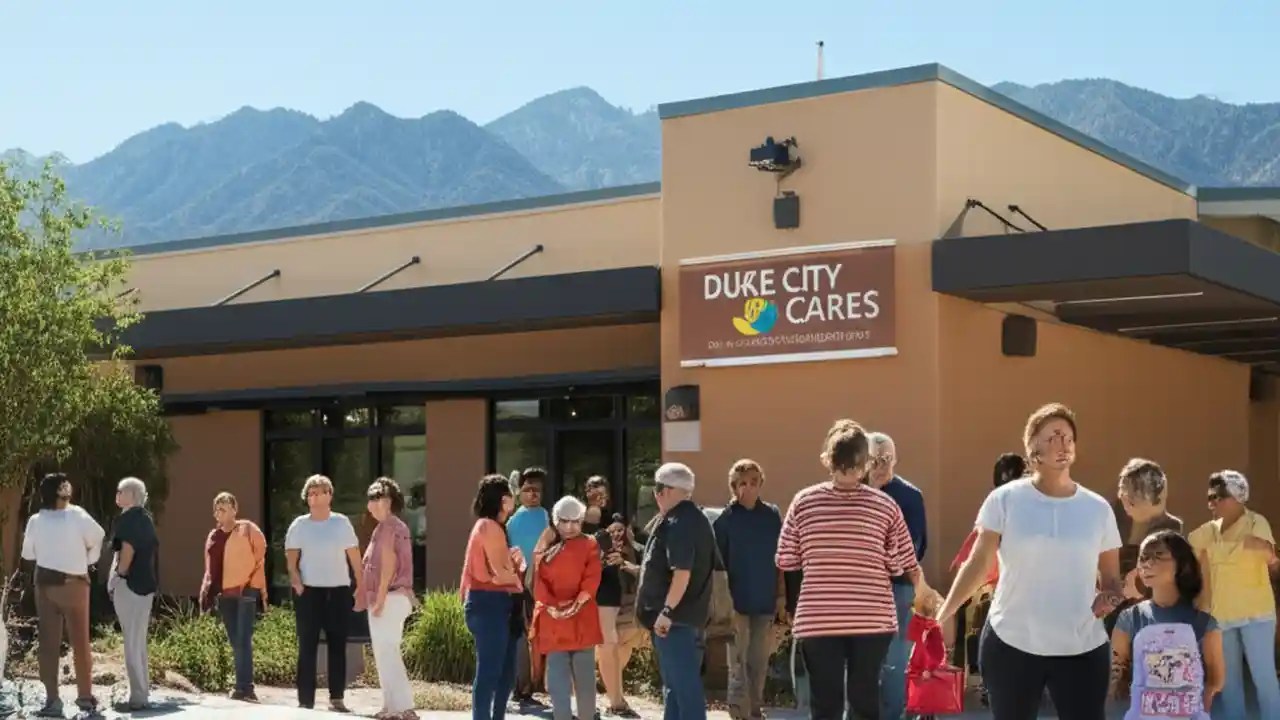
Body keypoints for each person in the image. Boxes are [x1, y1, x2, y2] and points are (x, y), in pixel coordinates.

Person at [937, 403, 1124, 720]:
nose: (1062, 444)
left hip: (1081, 647)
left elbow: (1112, 581)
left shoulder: (1098, 509)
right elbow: (979, 563)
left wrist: (1110, 597)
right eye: (1052, 437)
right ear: (1032, 448)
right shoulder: (1005, 499)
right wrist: (945, 612)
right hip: (1012, 644)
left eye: (1067, 437)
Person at [776, 421, 938, 720]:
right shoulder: (885, 506)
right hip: (872, 618)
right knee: (864, 700)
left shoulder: (804, 502)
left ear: (827, 459)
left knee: (825, 704)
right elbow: (904, 561)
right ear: (865, 465)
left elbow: (786, 559)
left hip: (819, 618)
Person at [1188, 470, 1280, 719]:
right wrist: (1237, 550)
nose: (1211, 503)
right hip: (1222, 617)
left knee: (1264, 678)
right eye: (1209, 497)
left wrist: (1215, 553)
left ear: (1238, 497)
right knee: (1228, 683)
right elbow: (1189, 546)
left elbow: (1265, 552)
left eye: (1218, 497)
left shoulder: (1256, 522)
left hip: (1257, 615)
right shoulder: (1210, 530)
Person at [1109, 530, 1224, 719]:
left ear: (1182, 565)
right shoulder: (1130, 618)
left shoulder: (1204, 623)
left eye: (1158, 556)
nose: (1147, 564)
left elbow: (1216, 679)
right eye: (1143, 558)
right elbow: (1116, 676)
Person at [637, 462, 717, 720]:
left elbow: (682, 572)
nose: (656, 494)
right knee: (675, 689)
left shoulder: (680, 522)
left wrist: (667, 611)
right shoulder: (692, 518)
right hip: (682, 619)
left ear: (669, 490)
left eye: (658, 488)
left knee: (685, 690)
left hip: (675, 620)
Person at [21, 473, 106, 718]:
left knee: (48, 643)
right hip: (75, 583)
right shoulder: (78, 514)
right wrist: (88, 559)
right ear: (62, 491)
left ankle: (52, 699)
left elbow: (28, 554)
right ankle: (85, 697)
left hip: (45, 584)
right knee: (80, 642)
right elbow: (98, 535)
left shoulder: (36, 520)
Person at [949, 452, 1026, 706]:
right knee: (982, 612)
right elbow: (970, 562)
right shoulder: (995, 512)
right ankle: (985, 680)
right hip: (993, 594)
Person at [285, 474, 366, 712]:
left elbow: (354, 558)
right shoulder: (299, 525)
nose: (315, 496)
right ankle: (305, 700)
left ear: (329, 495)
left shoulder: (341, 523)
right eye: (311, 493)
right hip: (309, 593)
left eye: (320, 491)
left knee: (337, 644)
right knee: (307, 646)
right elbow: (291, 561)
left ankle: (337, 698)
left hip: (338, 591)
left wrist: (360, 585)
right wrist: (297, 582)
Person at [712, 459, 784, 720]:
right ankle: (738, 710)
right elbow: (718, 567)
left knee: (759, 661)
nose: (749, 488)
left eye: (754, 482)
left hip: (764, 599)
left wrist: (781, 596)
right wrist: (723, 602)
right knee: (738, 662)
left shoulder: (772, 516)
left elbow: (781, 559)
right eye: (743, 483)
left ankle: (755, 709)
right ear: (734, 487)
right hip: (736, 602)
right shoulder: (725, 520)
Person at [865, 433, 927, 720]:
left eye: (886, 459)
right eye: (874, 460)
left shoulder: (910, 496)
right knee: (862, 659)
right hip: (861, 590)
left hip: (898, 589)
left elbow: (914, 547)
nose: (880, 466)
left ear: (896, 459)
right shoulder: (853, 492)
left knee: (895, 659)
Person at [531, 496, 603, 720]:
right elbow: (538, 580)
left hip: (582, 617)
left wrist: (577, 602)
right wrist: (552, 606)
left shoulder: (590, 543)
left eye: (575, 521)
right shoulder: (545, 546)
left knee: (585, 681)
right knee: (558, 682)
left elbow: (592, 577)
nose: (570, 527)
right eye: (564, 521)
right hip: (554, 622)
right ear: (556, 521)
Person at [461, 474, 527, 720]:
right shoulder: (488, 526)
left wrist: (514, 564)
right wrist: (512, 568)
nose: (514, 498)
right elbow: (500, 574)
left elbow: (505, 571)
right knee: (490, 671)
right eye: (510, 493)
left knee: (506, 672)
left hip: (502, 603)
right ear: (502, 499)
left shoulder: (497, 528)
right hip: (488, 602)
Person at [199, 491, 268, 702]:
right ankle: (241, 685)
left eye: (225, 507)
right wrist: (205, 591)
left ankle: (246, 687)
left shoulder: (247, 529)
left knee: (243, 637)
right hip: (224, 592)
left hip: (247, 589)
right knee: (234, 640)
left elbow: (260, 553)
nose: (220, 512)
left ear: (234, 510)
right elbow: (210, 568)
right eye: (217, 509)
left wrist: (253, 581)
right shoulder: (213, 536)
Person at [363, 477, 419, 720]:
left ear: (391, 501)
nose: (374, 503)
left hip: (390, 595)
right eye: (371, 498)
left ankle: (398, 708)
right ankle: (394, 707)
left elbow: (389, 563)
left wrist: (380, 599)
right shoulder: (392, 526)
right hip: (395, 595)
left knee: (386, 652)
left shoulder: (388, 527)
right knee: (387, 652)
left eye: (379, 497)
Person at [1109, 459, 1183, 635]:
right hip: (1116, 621)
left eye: (1132, 501)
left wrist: (1138, 585)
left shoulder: (1171, 530)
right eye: (1123, 499)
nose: (1126, 506)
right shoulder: (1121, 524)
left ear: (1154, 499)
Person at [107, 476, 160, 711]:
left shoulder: (127, 520)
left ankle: (137, 696)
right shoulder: (146, 520)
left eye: (121, 491)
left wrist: (119, 575)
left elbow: (126, 551)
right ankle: (142, 692)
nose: (117, 494)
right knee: (138, 641)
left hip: (130, 585)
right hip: (146, 585)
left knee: (130, 641)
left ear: (131, 495)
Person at [506, 467, 549, 708]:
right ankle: (521, 686)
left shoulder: (546, 516)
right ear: (519, 492)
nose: (534, 494)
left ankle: (538, 682)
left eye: (538, 491)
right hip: (521, 585)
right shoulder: (513, 521)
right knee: (523, 635)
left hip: (545, 584)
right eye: (528, 490)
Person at [595, 513, 644, 717]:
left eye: (620, 530)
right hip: (607, 608)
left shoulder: (638, 550)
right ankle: (616, 700)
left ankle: (612, 692)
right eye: (612, 531)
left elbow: (646, 573)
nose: (616, 534)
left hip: (629, 610)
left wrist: (624, 563)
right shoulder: (598, 549)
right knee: (609, 649)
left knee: (620, 653)